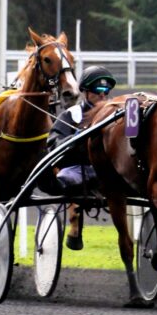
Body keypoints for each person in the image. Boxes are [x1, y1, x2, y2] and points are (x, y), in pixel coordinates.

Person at [48, 65, 117, 250]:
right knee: (65, 179)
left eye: (107, 91)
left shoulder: (115, 115)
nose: (103, 95)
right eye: (97, 90)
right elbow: (54, 145)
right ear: (85, 92)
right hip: (76, 171)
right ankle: (75, 223)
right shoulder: (71, 115)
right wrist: (77, 138)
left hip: (106, 172)